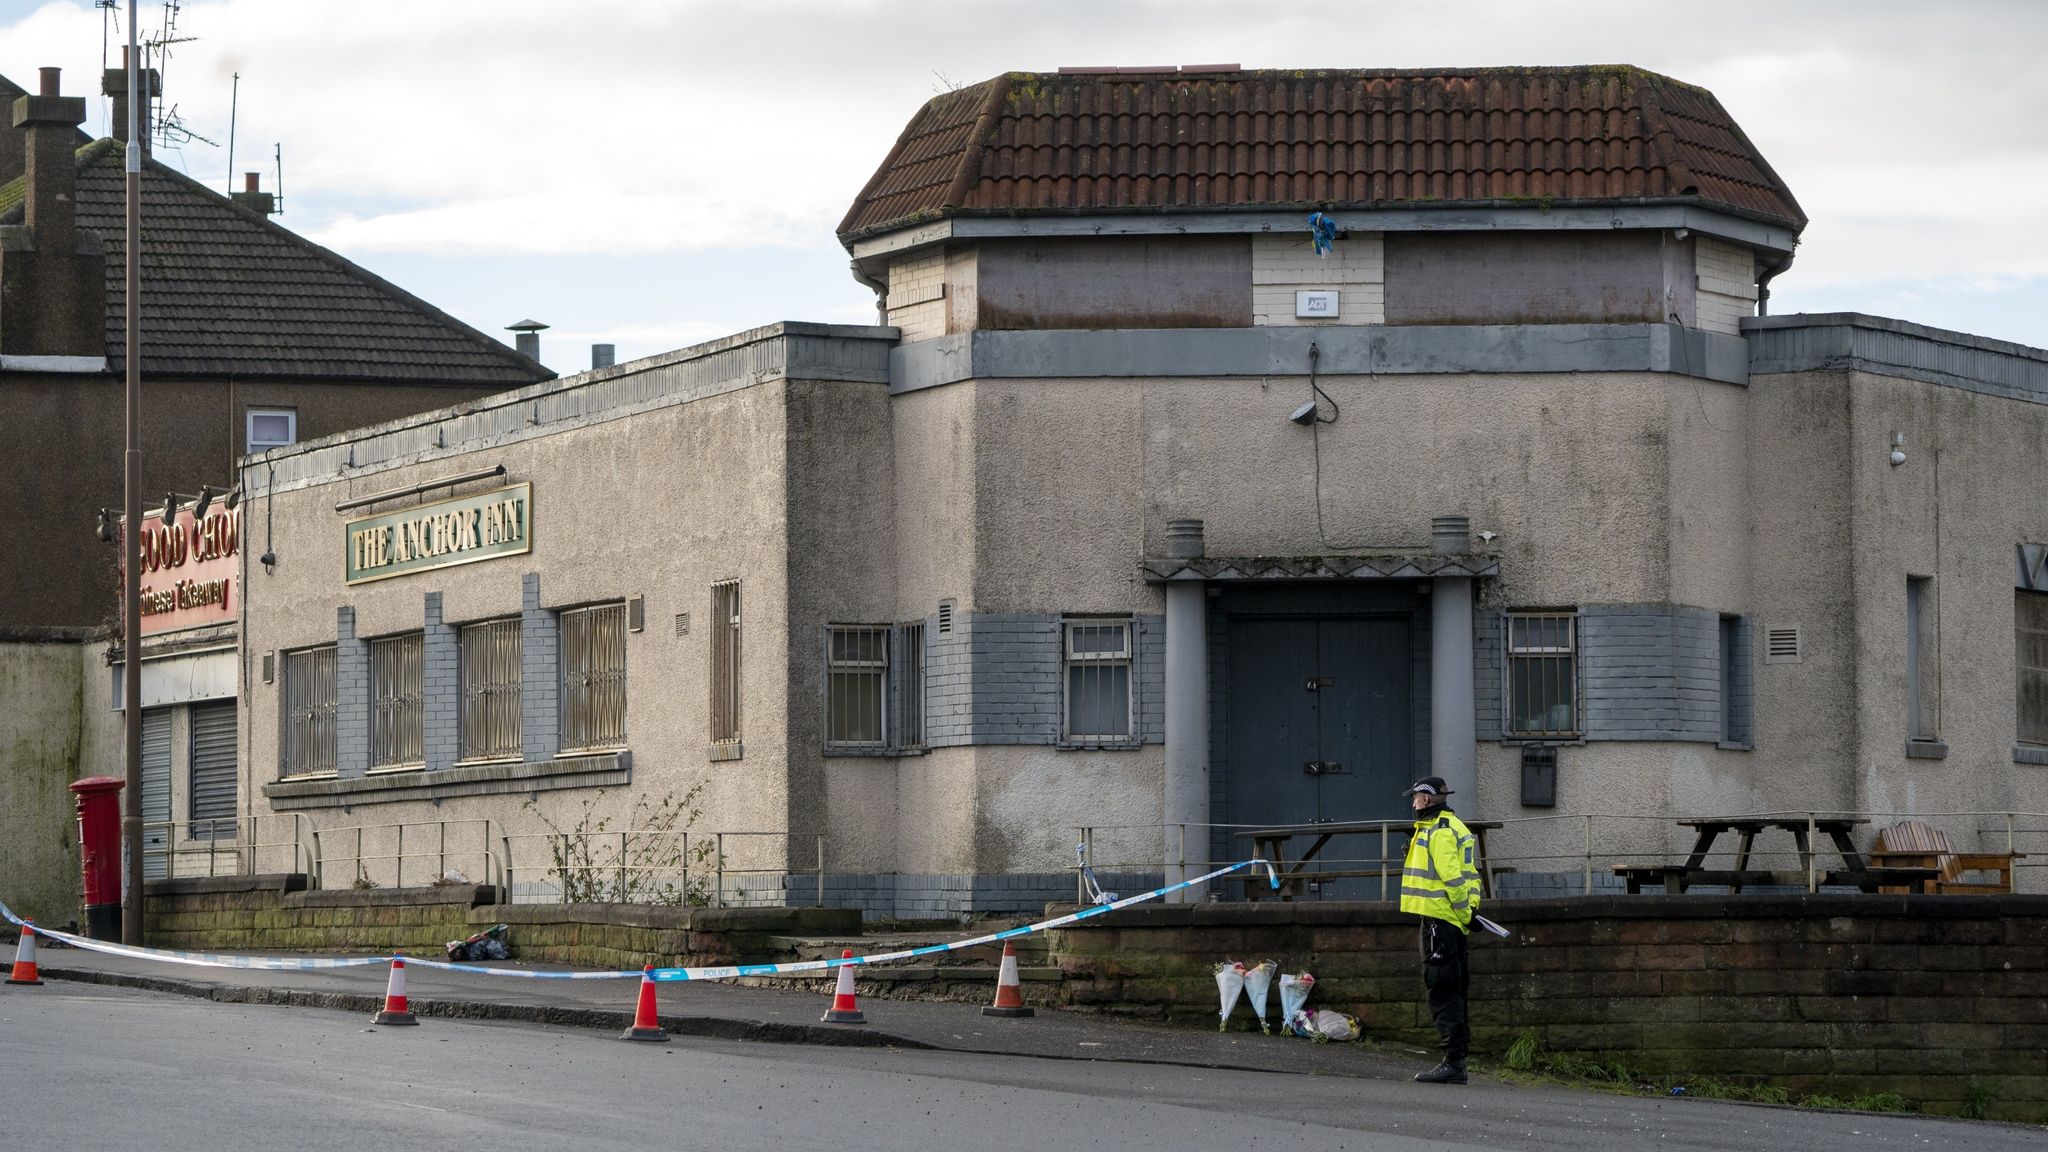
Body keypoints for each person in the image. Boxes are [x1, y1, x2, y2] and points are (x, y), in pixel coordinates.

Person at [1399, 775, 1480, 1085]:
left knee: (1442, 989)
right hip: (1453, 923)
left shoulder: (1438, 832)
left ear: (1428, 799)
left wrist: (1462, 911)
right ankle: (1456, 1060)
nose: (1413, 801)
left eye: (1416, 796)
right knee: (1455, 990)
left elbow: (1454, 881)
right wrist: (1471, 913)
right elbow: (1471, 877)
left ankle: (1453, 1063)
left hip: (1439, 921)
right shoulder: (1455, 826)